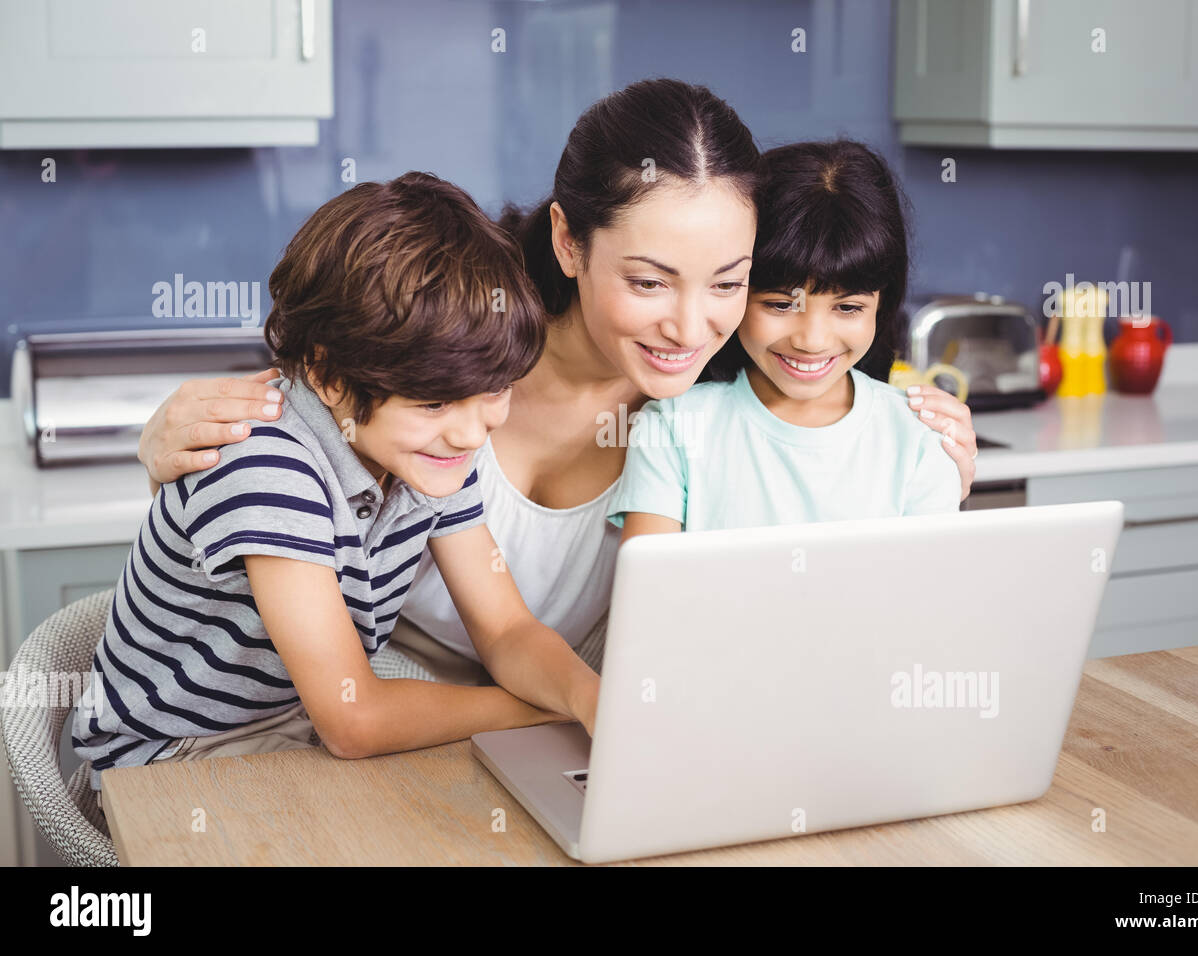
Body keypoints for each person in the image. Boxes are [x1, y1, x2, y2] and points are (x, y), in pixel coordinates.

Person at [134, 79, 977, 687]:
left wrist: (936, 456)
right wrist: (161, 434)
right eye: (648, 282)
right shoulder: (458, 346)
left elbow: (836, 462)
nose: (689, 328)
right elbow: (312, 400)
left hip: (568, 722)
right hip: (387, 711)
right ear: (570, 243)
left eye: (728, 283)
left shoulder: (734, 388)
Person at [72, 172, 598, 795]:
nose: (471, 433)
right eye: (432, 404)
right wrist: (540, 713)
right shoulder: (268, 464)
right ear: (327, 374)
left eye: (495, 392)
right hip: (169, 761)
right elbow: (354, 720)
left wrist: (591, 699)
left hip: (289, 727)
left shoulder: (432, 454)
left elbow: (507, 630)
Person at [609, 140, 960, 537]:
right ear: (734, 288)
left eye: (847, 308)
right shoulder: (673, 428)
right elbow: (651, 591)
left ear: (882, 304)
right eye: (780, 305)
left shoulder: (918, 437)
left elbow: (931, 589)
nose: (811, 340)